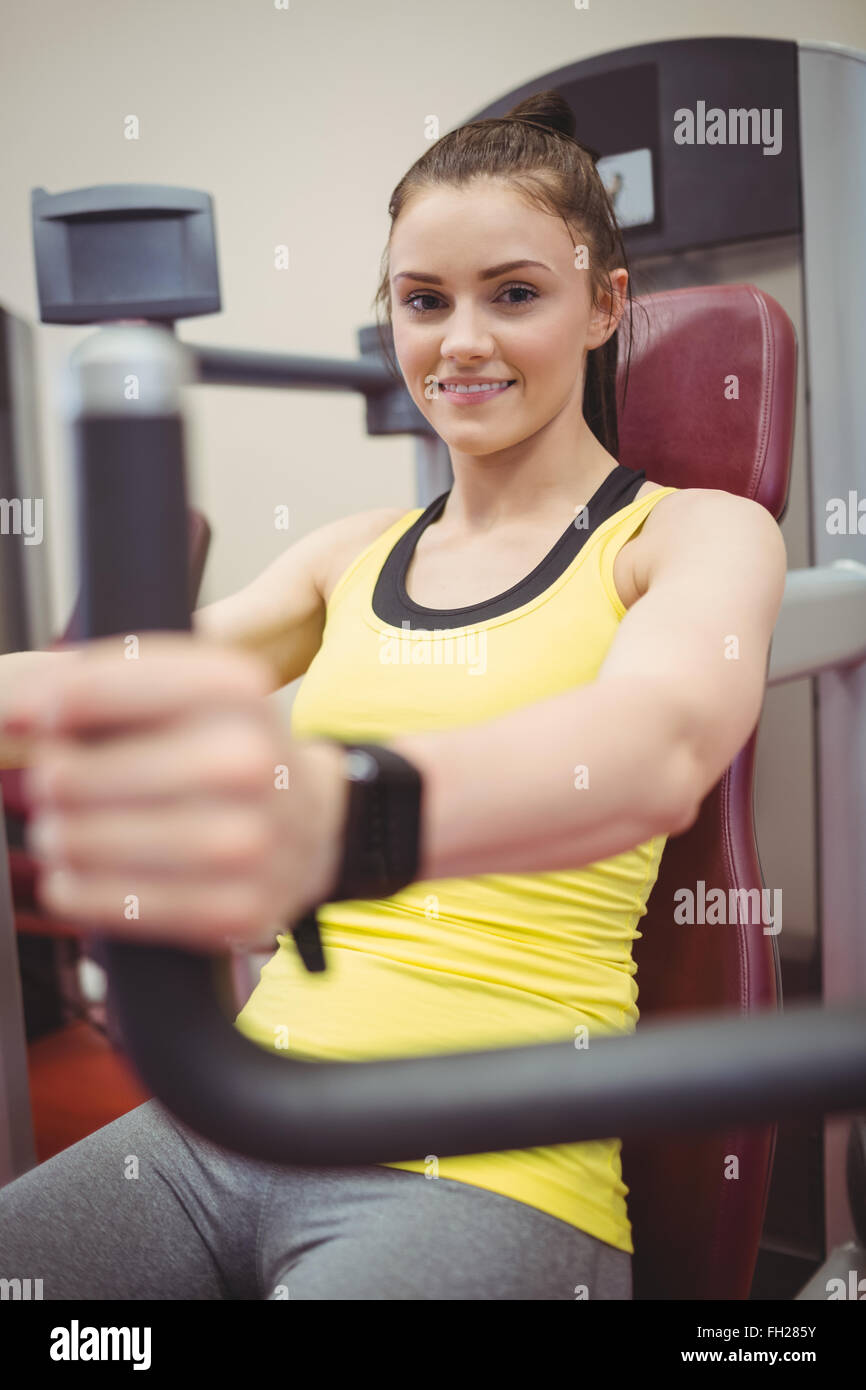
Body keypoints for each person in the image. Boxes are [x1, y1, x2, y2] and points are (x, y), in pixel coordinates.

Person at [0, 90, 786, 1300]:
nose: (459, 341)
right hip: (235, 1113)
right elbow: (116, 674)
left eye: (512, 293)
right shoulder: (350, 552)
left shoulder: (690, 536)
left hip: (486, 1161)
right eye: (423, 301)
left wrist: (352, 810)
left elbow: (652, 745)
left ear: (601, 306)